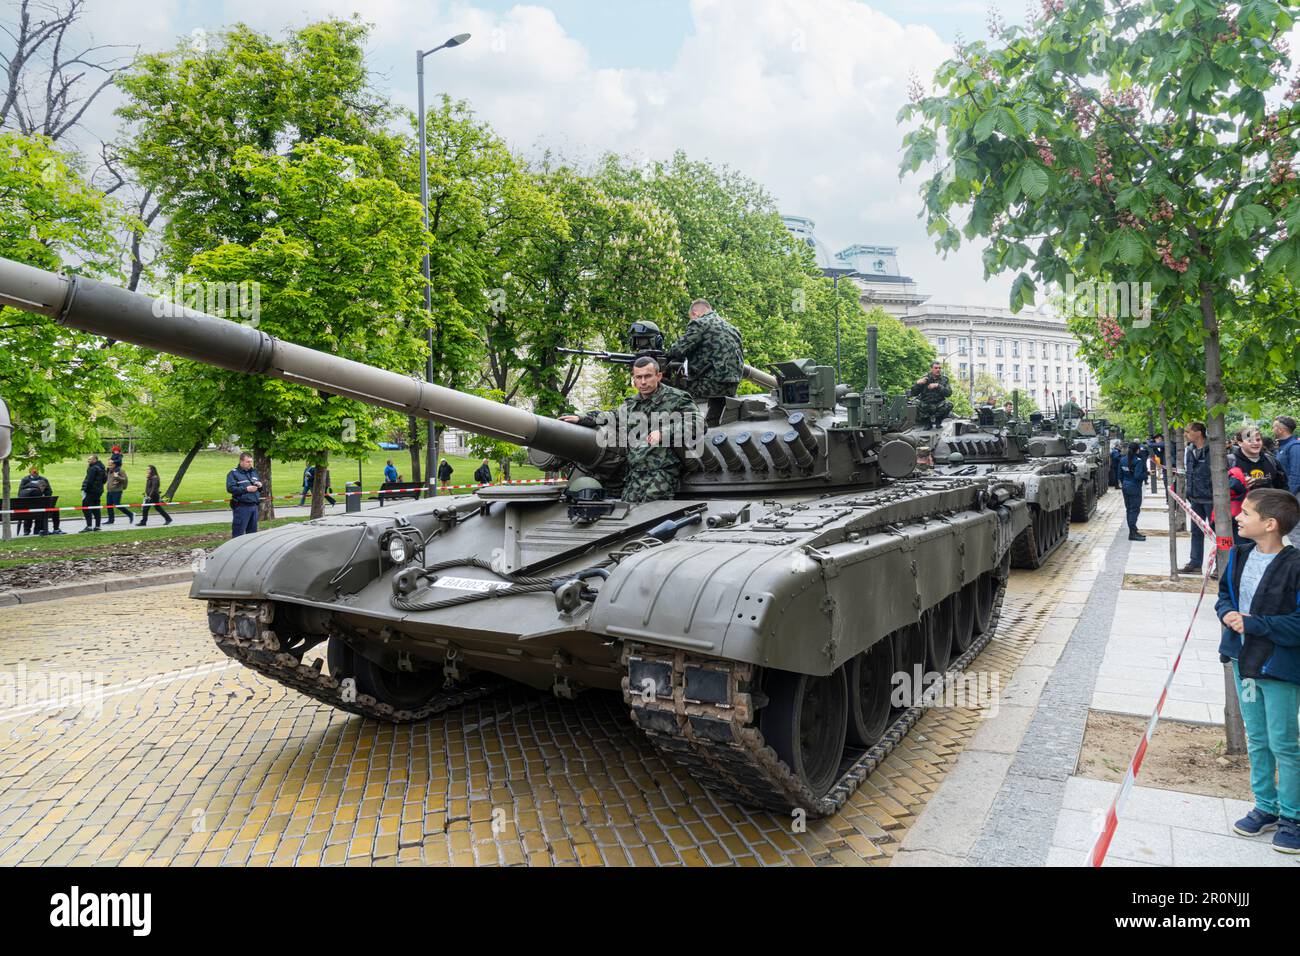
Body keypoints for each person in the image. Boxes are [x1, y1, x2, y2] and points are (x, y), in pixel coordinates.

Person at [1215, 488, 1300, 854]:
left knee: (1284, 743)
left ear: (1270, 524)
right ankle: (1265, 806)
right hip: (1244, 664)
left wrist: (1254, 623)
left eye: (1246, 513)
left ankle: (1293, 817)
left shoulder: (1295, 566)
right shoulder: (1238, 555)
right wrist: (1227, 615)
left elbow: (1296, 624)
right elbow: (1224, 597)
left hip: (1278, 669)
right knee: (1258, 738)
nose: (1238, 517)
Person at [559, 356, 702, 503]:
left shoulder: (677, 398)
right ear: (634, 379)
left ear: (658, 376)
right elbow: (609, 415)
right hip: (634, 476)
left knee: (650, 517)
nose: (643, 382)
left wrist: (664, 432)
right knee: (627, 515)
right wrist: (581, 418)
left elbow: (698, 423)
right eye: (639, 377)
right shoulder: (631, 404)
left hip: (661, 475)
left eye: (648, 376)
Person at [664, 298, 744, 419]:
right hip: (732, 386)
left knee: (669, 391)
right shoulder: (732, 328)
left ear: (695, 313)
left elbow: (677, 350)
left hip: (708, 386)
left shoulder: (700, 323)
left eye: (691, 317)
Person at [1227, 426, 1288, 545]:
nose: (1255, 443)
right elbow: (1216, 490)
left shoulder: (1271, 461)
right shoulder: (1230, 461)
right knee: (1242, 554)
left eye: (1258, 439)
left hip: (1266, 519)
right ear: (1239, 442)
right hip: (1239, 520)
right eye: (1250, 440)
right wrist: (1239, 484)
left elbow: (1283, 488)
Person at [1181, 422, 1214, 573]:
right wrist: (1189, 491)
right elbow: (1189, 472)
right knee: (1196, 532)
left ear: (1198, 433)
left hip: (1211, 498)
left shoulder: (1212, 449)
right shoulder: (1189, 450)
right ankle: (1195, 563)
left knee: (1216, 533)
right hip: (1195, 498)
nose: (1185, 435)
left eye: (1188, 432)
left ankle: (1220, 566)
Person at [1274, 416, 1300, 549]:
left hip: (1294, 495)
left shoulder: (1295, 447)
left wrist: (1288, 496)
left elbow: (1296, 474)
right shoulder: (1283, 446)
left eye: (1274, 427)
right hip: (1288, 494)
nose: (1273, 429)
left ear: (1280, 430)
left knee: (1295, 530)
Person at [226, 452, 263, 537]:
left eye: (251, 461)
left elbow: (259, 489)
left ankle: (250, 550)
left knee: (252, 534)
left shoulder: (253, 472)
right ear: (241, 461)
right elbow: (230, 488)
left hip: (254, 506)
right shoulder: (233, 473)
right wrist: (246, 489)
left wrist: (260, 486)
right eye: (248, 462)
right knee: (238, 533)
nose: (250, 464)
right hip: (242, 507)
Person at [1118, 441, 1148, 541]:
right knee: (1134, 510)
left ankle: (1133, 529)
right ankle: (1132, 533)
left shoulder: (1122, 460)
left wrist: (1125, 484)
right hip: (1134, 487)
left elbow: (1120, 475)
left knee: (1129, 509)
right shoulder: (1138, 461)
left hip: (1125, 487)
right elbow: (1138, 476)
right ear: (1137, 450)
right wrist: (1146, 474)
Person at [909, 361, 953, 429]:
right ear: (931, 369)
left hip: (939, 404)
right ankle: (927, 423)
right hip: (926, 405)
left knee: (949, 404)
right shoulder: (925, 379)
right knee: (914, 403)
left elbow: (949, 393)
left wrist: (938, 386)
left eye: (939, 368)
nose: (938, 370)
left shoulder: (944, 379)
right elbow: (913, 393)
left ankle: (939, 421)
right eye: (936, 368)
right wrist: (917, 383)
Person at [79, 454, 106, 532]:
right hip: (99, 491)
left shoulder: (93, 468)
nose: (88, 461)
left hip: (91, 491)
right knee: (96, 508)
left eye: (90, 459)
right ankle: (97, 526)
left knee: (85, 507)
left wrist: (86, 490)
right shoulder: (102, 467)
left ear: (95, 460)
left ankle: (89, 526)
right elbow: (104, 479)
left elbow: (89, 481)